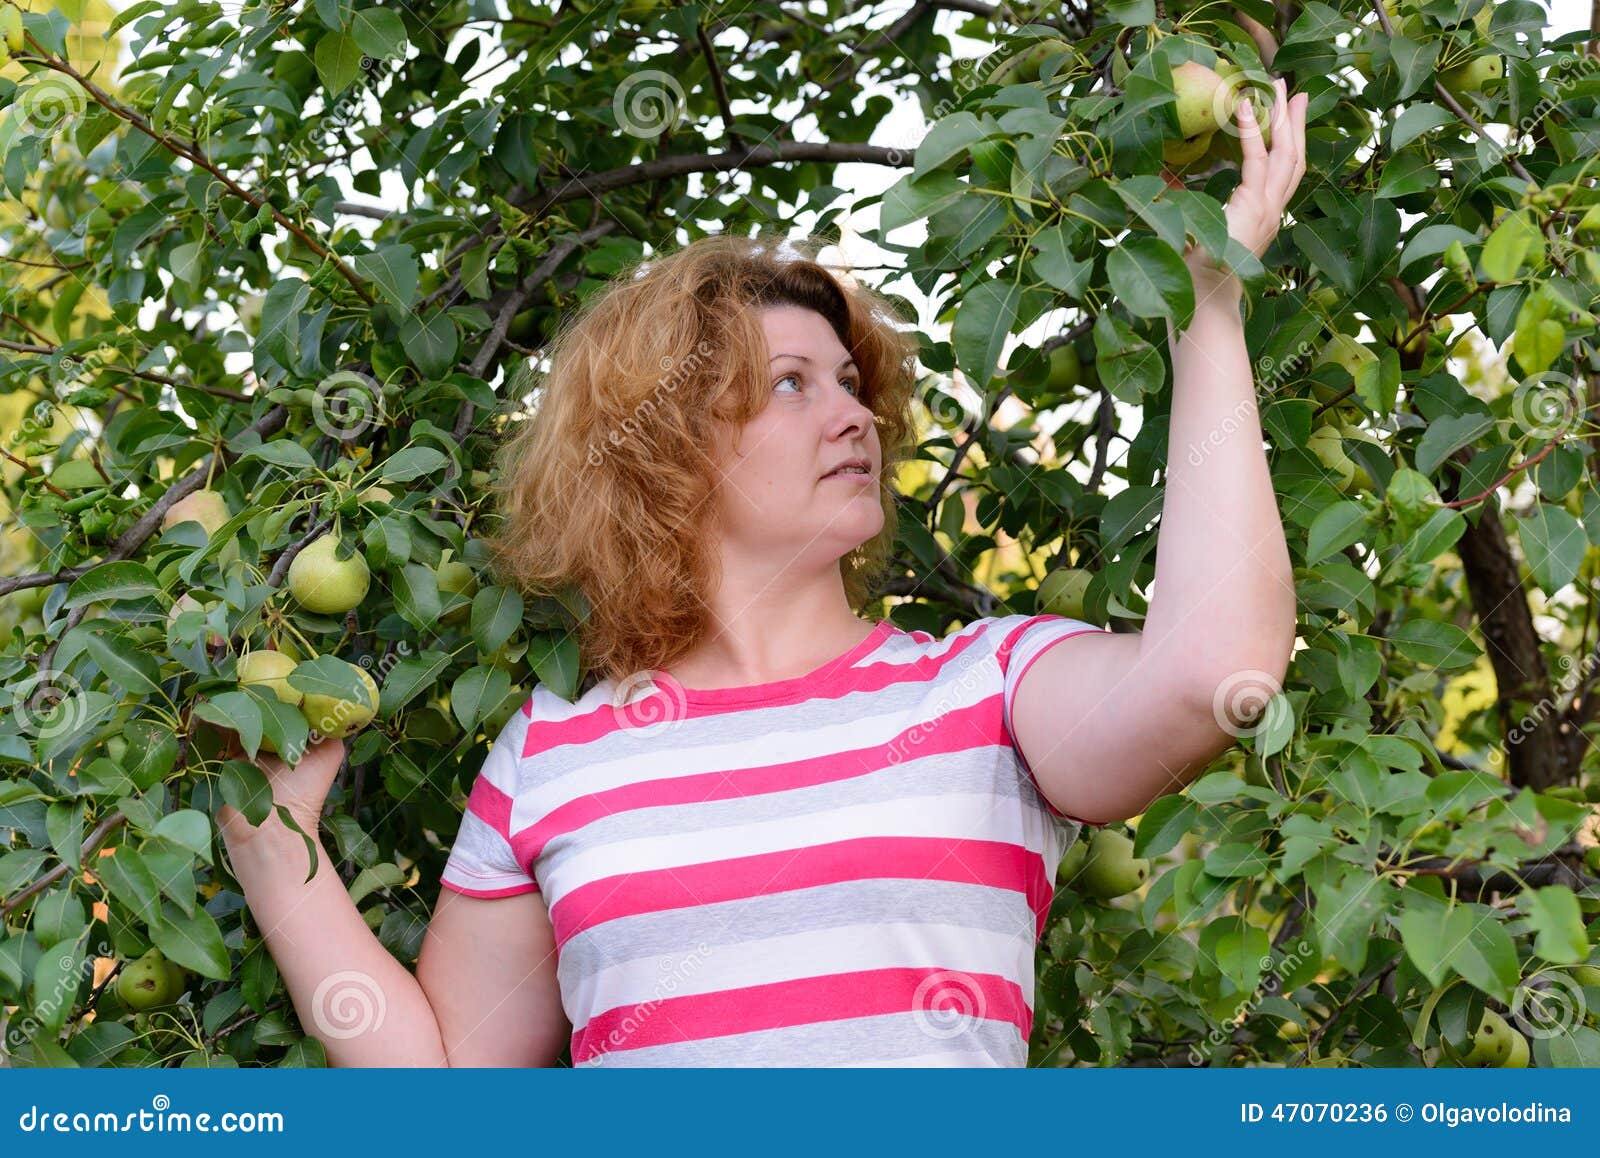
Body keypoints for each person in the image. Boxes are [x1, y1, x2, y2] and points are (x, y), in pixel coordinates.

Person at [217, 79, 1307, 1067]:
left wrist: (1205, 307)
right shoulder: (552, 755)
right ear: (662, 447)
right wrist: (273, 846)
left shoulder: (985, 689)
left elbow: (1213, 666)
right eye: (791, 385)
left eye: (849, 382)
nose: (851, 415)